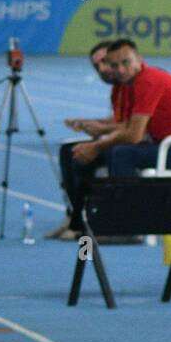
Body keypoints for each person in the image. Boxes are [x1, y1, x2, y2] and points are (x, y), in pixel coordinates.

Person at [59, 38, 171, 229]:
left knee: (121, 154)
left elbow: (133, 134)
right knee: (73, 153)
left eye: (126, 62)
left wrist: (96, 144)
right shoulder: (131, 83)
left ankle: (129, 223)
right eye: (114, 65)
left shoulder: (148, 81)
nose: (121, 69)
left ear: (138, 59)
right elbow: (126, 125)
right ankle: (80, 219)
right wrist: (98, 134)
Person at [45, 43, 119, 239]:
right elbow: (120, 121)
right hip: (127, 140)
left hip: (143, 144)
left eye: (105, 62)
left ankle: (85, 220)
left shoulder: (133, 82)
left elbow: (134, 126)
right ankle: (74, 215)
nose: (102, 69)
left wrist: (98, 135)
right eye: (97, 66)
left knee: (82, 154)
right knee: (68, 151)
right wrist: (90, 124)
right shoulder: (117, 88)